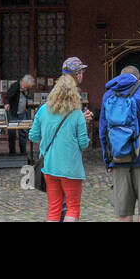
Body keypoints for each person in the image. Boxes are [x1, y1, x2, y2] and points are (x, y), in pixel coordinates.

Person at [100, 64, 140, 222]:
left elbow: (103, 131)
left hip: (118, 156)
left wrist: (107, 160)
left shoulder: (108, 95)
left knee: (124, 211)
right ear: (139, 79)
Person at [29, 73, 90, 221]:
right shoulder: (77, 114)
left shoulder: (43, 110)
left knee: (54, 208)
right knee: (73, 206)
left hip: (50, 165)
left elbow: (33, 136)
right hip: (71, 167)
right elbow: (84, 143)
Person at [3, 74, 35, 155]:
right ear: (23, 82)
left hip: (22, 113)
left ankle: (23, 153)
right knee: (12, 133)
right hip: (14, 113)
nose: (26, 88)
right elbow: (7, 97)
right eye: (25, 86)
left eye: (27, 87)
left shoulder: (26, 89)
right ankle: (12, 153)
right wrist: (6, 103)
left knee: (23, 133)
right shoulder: (15, 86)